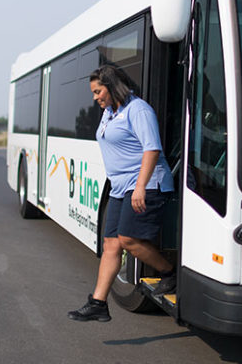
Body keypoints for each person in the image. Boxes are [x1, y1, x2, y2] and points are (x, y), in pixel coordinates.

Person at [68, 65, 176, 322]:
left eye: (98, 91)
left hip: (145, 184)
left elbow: (152, 149)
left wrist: (140, 186)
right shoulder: (109, 112)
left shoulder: (138, 110)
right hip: (119, 186)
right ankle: (98, 303)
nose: (95, 97)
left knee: (128, 239)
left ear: (112, 86)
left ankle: (170, 273)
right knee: (111, 244)